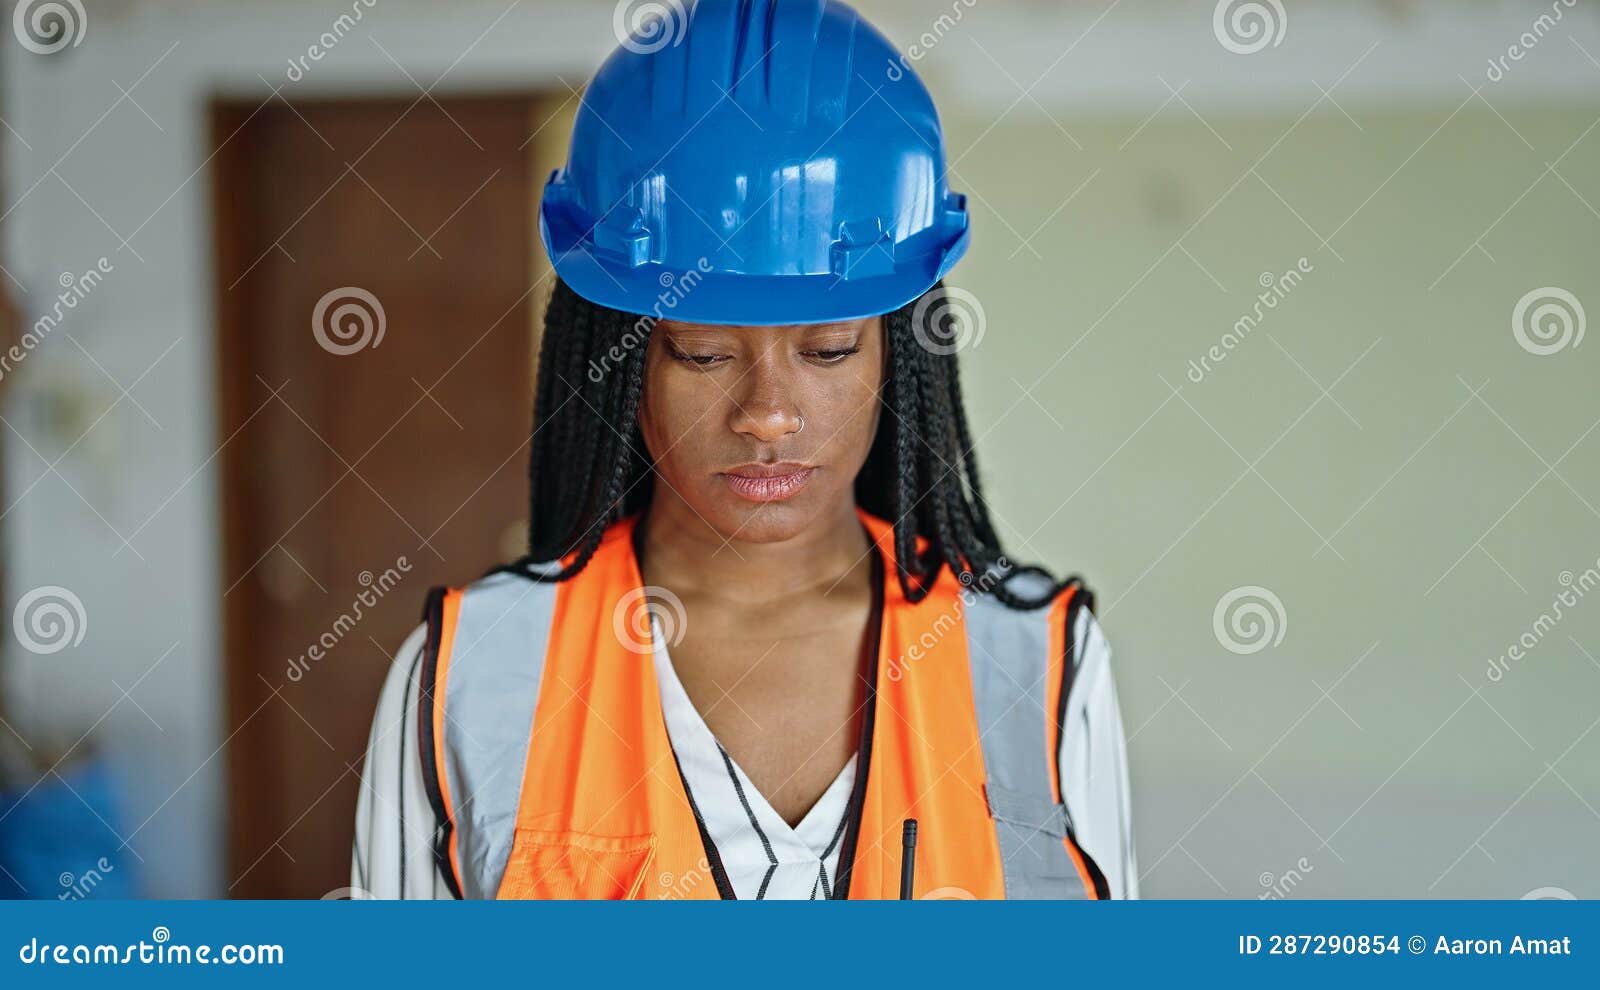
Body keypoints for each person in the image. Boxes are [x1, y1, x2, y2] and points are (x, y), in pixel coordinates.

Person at [352, 0, 1135, 900]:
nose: (767, 414)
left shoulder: (1035, 662)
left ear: (899, 351)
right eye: (703, 352)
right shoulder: (471, 674)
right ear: (620, 361)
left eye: (829, 349)